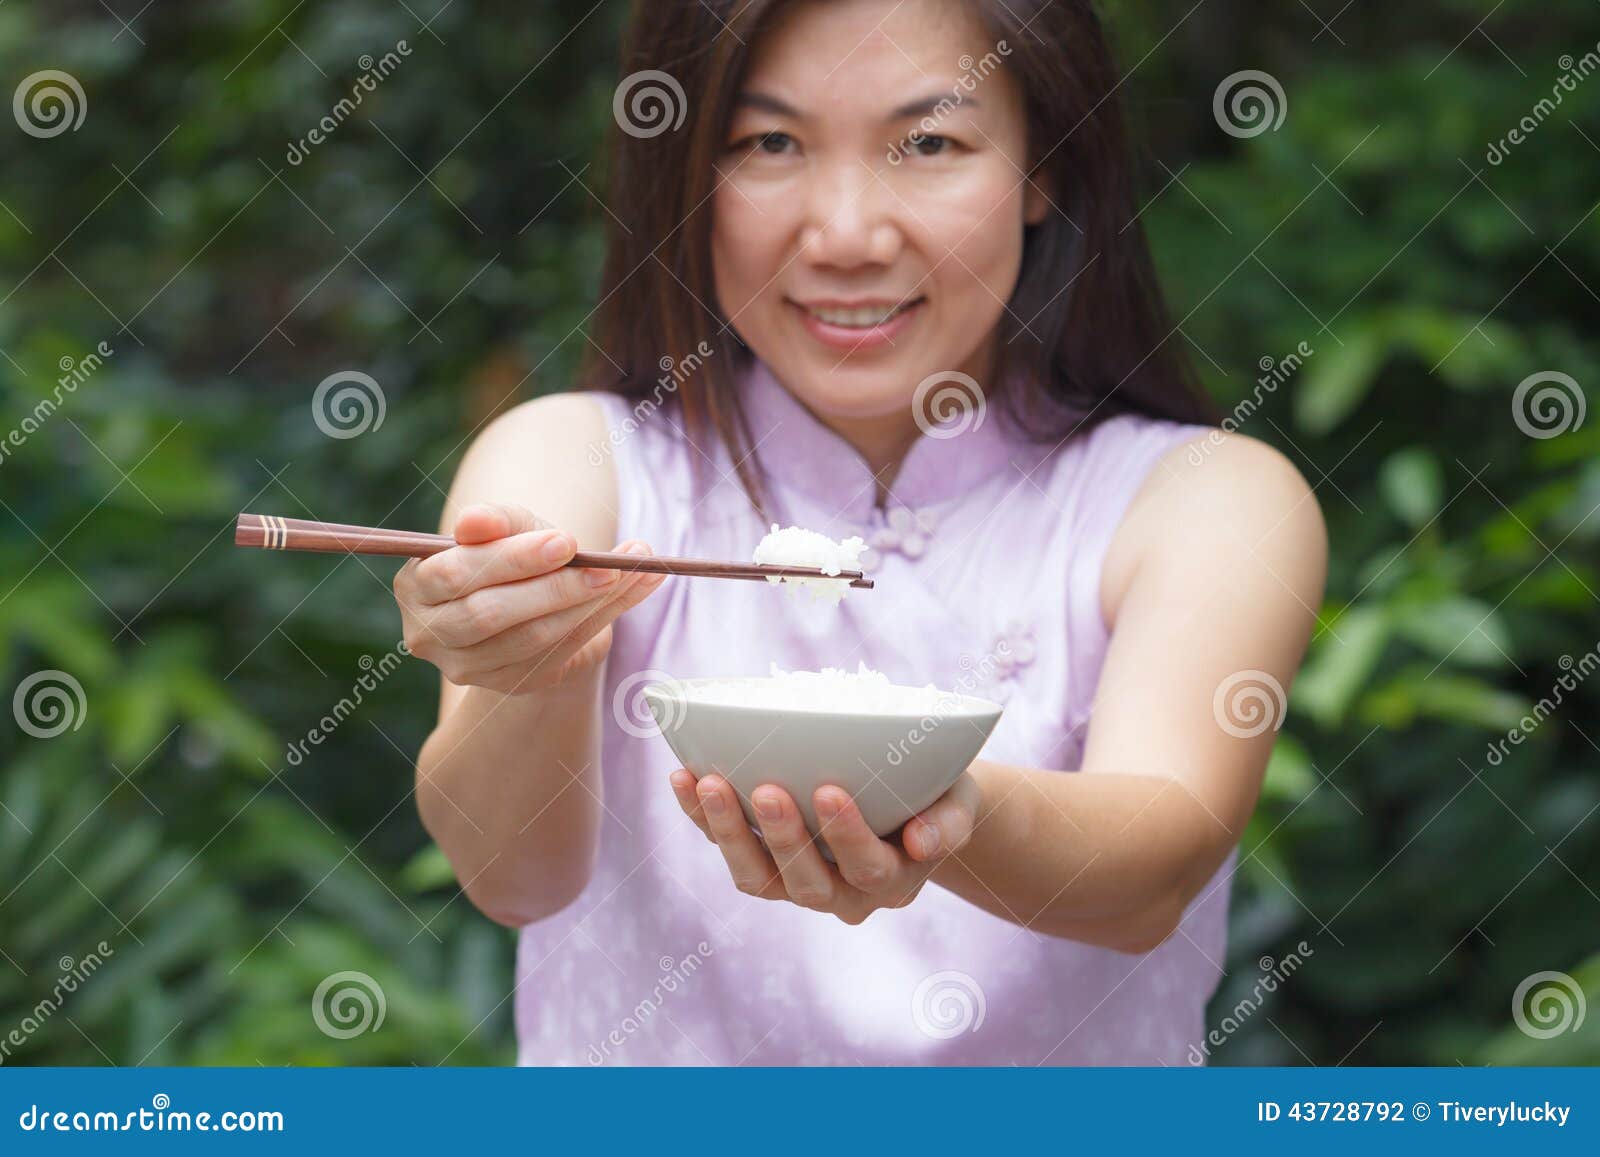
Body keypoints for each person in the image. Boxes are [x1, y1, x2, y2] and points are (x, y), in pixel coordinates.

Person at [394, 0, 1326, 1065]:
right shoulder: (576, 463)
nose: (845, 236)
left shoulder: (1201, 496)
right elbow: (510, 875)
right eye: (769, 142)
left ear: (1045, 167)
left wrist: (937, 799)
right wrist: (530, 668)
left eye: (927, 143)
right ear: (687, 172)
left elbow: (1148, 878)